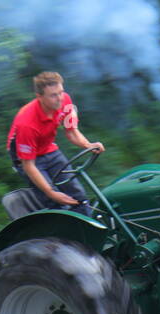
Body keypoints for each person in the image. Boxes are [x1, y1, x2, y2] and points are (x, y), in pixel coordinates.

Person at [7, 71, 104, 218]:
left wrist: (88, 145)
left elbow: (71, 132)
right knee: (54, 201)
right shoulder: (26, 123)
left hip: (49, 149)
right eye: (53, 95)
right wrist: (50, 192)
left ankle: (88, 232)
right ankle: (63, 235)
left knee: (78, 196)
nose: (59, 98)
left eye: (61, 92)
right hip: (26, 159)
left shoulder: (65, 101)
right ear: (39, 97)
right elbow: (29, 166)